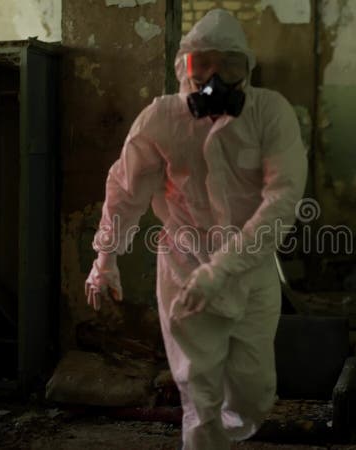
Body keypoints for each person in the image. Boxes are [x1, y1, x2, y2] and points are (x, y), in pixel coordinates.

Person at [84, 9, 308, 449]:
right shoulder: (162, 119)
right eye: (201, 63)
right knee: (199, 392)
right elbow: (125, 190)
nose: (214, 76)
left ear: (247, 69)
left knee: (253, 394)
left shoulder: (269, 114)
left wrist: (222, 269)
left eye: (228, 65)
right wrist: (105, 258)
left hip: (249, 270)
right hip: (185, 267)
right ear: (183, 67)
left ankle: (227, 432)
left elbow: (281, 201)